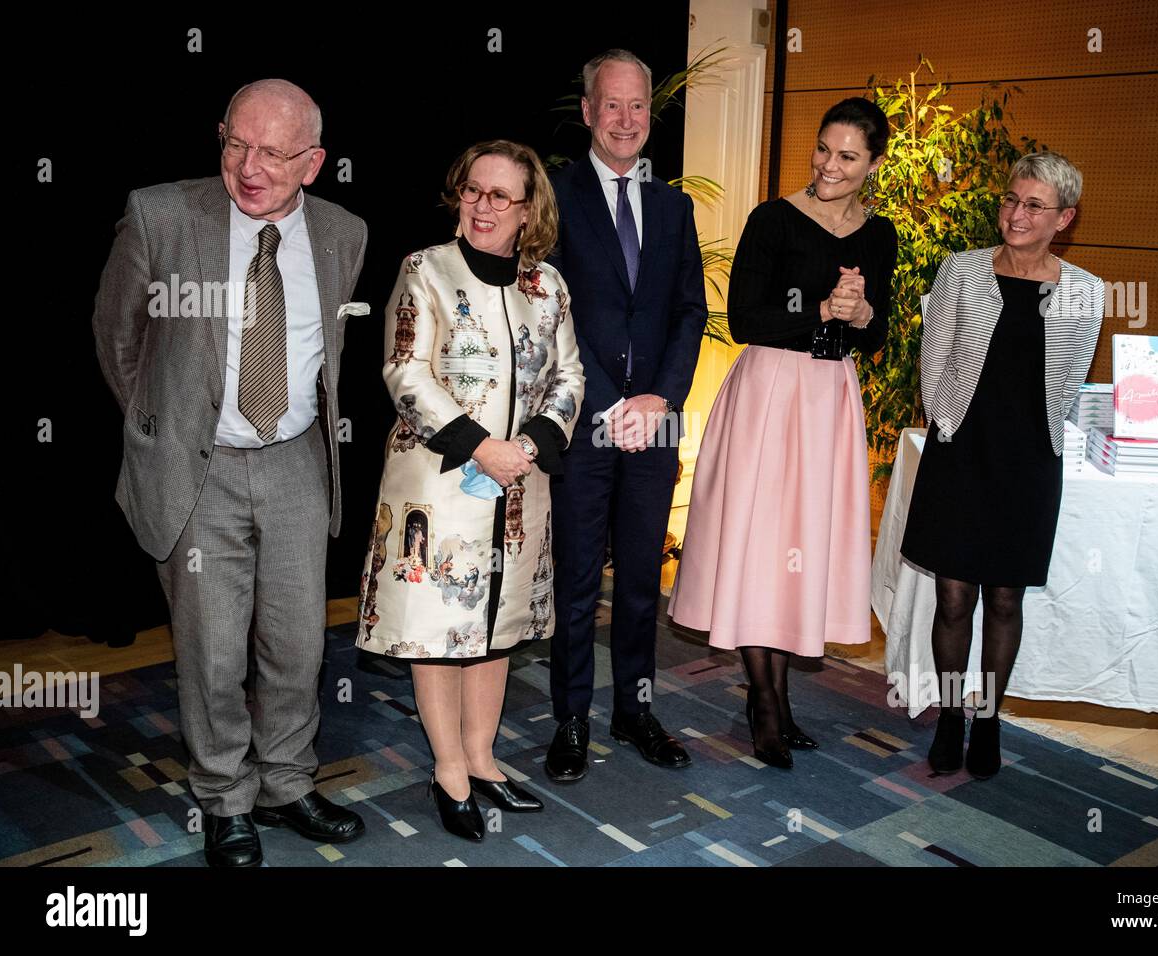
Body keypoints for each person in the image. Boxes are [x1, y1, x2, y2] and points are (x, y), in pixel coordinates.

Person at [92, 79, 368, 866]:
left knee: (295, 648)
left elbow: (331, 356)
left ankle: (286, 783)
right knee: (211, 651)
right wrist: (161, 426)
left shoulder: (345, 234)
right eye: (235, 144)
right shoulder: (162, 214)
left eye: (274, 154)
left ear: (313, 163)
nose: (249, 168)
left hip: (296, 465)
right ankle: (224, 798)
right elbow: (117, 336)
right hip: (199, 469)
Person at [356, 140, 584, 842]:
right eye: (473, 191)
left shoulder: (548, 286)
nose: (484, 207)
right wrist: (479, 444)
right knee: (440, 629)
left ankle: (484, 760)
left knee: (495, 630)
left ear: (527, 211)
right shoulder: (424, 270)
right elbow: (404, 373)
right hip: (439, 485)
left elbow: (570, 377)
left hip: (519, 485)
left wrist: (533, 445)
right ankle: (449, 770)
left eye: (501, 197)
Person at [668, 97, 897, 767]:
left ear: (874, 165)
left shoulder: (878, 235)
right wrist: (822, 307)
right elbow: (744, 317)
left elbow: (877, 335)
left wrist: (860, 313)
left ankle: (779, 696)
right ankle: (763, 700)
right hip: (769, 392)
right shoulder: (772, 219)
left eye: (847, 156)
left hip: (830, 399)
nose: (828, 164)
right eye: (823, 148)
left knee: (805, 544)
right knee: (764, 544)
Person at [900, 151, 1104, 779]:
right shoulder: (960, 272)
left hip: (1027, 460)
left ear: (1063, 219)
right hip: (961, 449)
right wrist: (947, 420)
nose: (1016, 214)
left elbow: (1071, 379)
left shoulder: (1085, 290)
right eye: (1012, 199)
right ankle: (953, 715)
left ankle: (988, 718)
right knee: (954, 595)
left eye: (1033, 205)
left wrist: (1036, 436)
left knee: (1006, 597)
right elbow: (933, 357)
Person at [544, 49, 708, 782]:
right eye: (610, 104)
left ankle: (635, 709)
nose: (625, 119)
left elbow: (688, 310)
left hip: (656, 425)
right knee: (579, 580)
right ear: (587, 111)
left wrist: (661, 400)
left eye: (637, 105)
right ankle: (572, 719)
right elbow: (545, 307)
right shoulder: (552, 194)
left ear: (652, 114)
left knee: (642, 578)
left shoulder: (674, 207)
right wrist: (608, 402)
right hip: (583, 421)